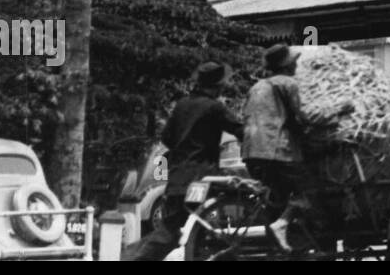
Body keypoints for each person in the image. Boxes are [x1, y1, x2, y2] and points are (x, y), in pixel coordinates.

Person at [130, 61, 243, 261]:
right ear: (217, 86)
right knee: (239, 194)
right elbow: (239, 129)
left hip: (178, 177)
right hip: (201, 176)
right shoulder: (214, 108)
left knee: (171, 230)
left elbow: (167, 138)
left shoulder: (182, 105)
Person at [242, 43, 311, 251]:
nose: (296, 66)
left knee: (277, 198)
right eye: (294, 62)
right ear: (287, 65)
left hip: (251, 152)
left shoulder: (256, 87)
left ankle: (278, 242)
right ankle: (282, 225)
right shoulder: (288, 83)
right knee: (309, 191)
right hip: (275, 151)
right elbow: (302, 116)